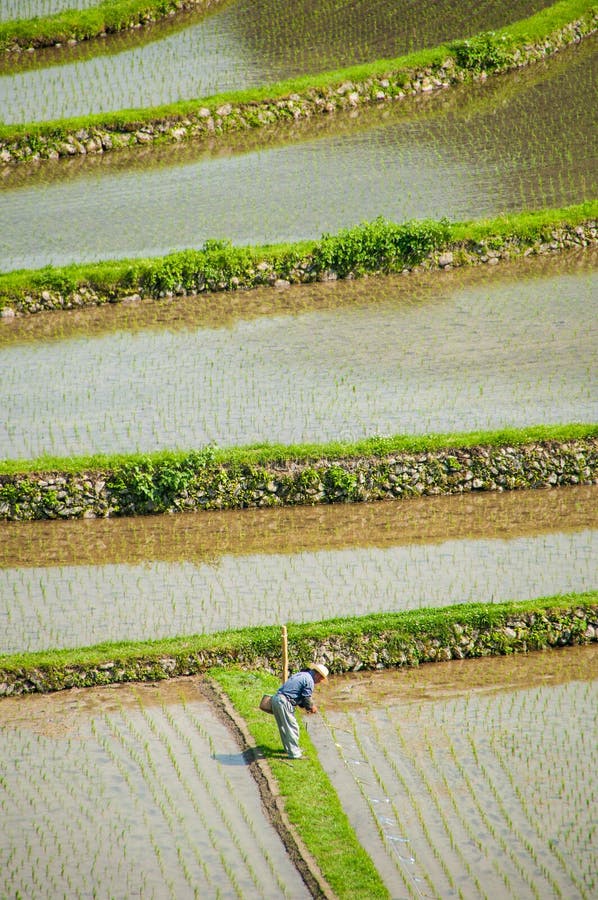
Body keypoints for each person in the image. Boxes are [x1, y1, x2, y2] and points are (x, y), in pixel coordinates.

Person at [271, 663, 329, 758]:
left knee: (284, 727)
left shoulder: (302, 674)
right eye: (321, 679)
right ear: (318, 675)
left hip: (276, 699)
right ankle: (295, 754)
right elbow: (306, 698)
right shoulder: (309, 680)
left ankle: (289, 749)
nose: (319, 682)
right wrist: (311, 707)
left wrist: (307, 707)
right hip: (284, 701)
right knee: (293, 727)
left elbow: (300, 697)